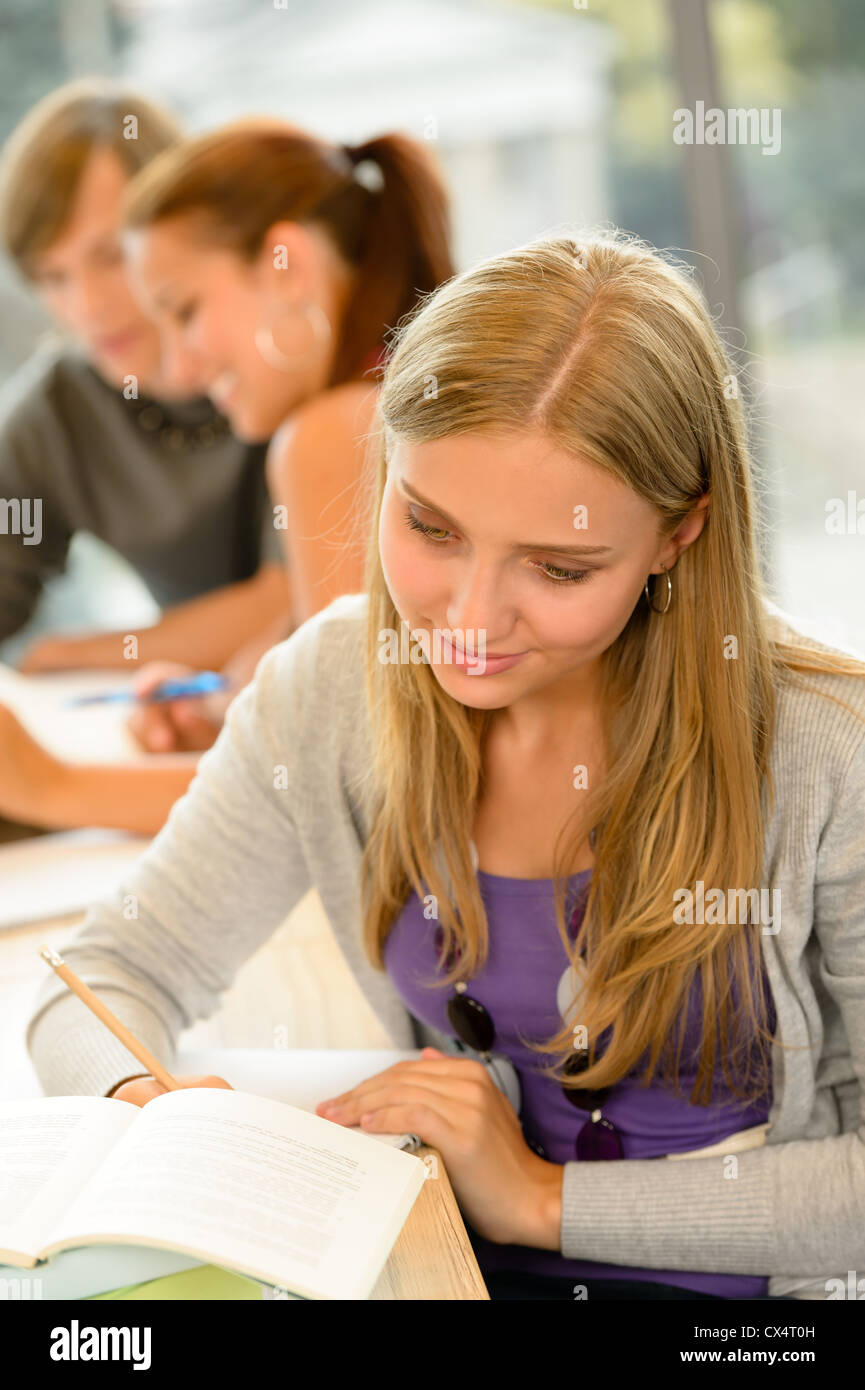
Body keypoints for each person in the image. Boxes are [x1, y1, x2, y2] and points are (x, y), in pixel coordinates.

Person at [25, 231, 865, 1301]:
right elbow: (101, 980)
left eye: (559, 568)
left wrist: (539, 1200)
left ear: (678, 534)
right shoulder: (329, 687)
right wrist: (150, 1110)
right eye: (429, 525)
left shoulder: (829, 750)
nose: (468, 624)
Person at [0, 114, 455, 833]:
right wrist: (230, 711)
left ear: (286, 265)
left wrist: (52, 787)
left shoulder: (330, 435)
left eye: (183, 311)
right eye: (53, 277)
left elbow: (345, 792)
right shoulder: (400, 397)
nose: (175, 367)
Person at [0, 79, 287, 673]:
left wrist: (67, 654)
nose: (88, 307)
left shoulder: (287, 363)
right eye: (53, 278)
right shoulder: (54, 413)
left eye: (110, 257)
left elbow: (304, 599)